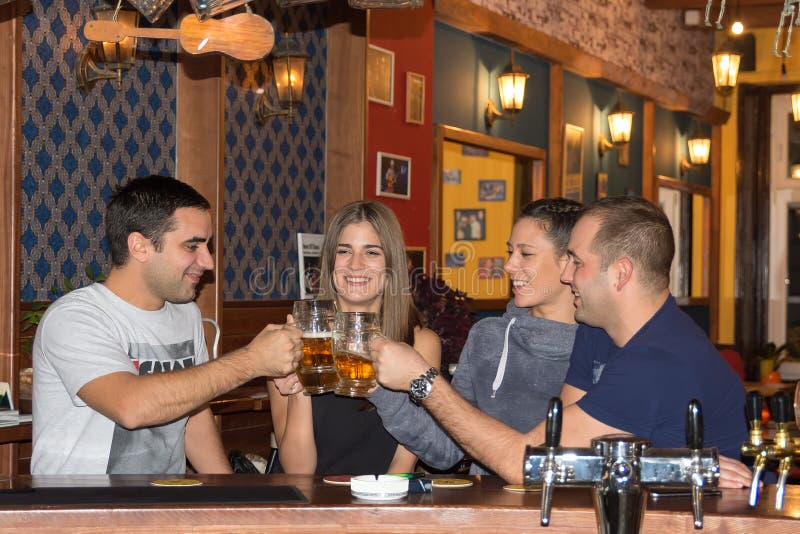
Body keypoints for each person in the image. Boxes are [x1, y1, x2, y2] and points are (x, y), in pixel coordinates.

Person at [370, 195, 753, 488]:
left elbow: (527, 462)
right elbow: (561, 453)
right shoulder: (597, 331)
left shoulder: (659, 360)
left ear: (620, 274)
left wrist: (425, 381)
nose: (568, 275)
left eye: (576, 261)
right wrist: (671, 467)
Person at [32, 176, 302, 475]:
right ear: (140, 247)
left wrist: (225, 495)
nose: (209, 261)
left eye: (207, 246)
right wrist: (252, 360)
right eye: (192, 246)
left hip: (162, 507)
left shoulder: (185, 313)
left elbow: (193, 415)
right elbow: (131, 407)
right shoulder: (75, 317)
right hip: (79, 513)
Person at [369, 198, 583, 474]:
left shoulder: (599, 346)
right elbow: (444, 450)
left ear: (568, 261)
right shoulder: (488, 336)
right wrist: (378, 388)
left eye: (525, 254)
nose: (509, 265)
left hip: (569, 510)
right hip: (487, 511)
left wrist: (421, 377)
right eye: (510, 252)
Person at [267, 200, 441, 475]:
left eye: (371, 252)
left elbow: (405, 459)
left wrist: (379, 509)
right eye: (343, 251)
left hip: (383, 501)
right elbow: (298, 472)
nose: (355, 265)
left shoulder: (421, 345)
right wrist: (301, 387)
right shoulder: (289, 341)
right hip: (308, 505)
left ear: (391, 266)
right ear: (330, 263)